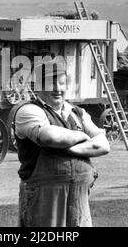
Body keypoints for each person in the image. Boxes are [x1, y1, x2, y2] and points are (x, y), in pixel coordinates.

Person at [14, 59, 110, 227]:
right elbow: (50, 137)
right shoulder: (29, 110)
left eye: (62, 83)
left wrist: (66, 148)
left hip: (79, 197)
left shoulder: (76, 112)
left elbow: (103, 145)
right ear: (38, 86)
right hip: (44, 198)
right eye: (52, 83)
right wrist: (84, 136)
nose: (58, 89)